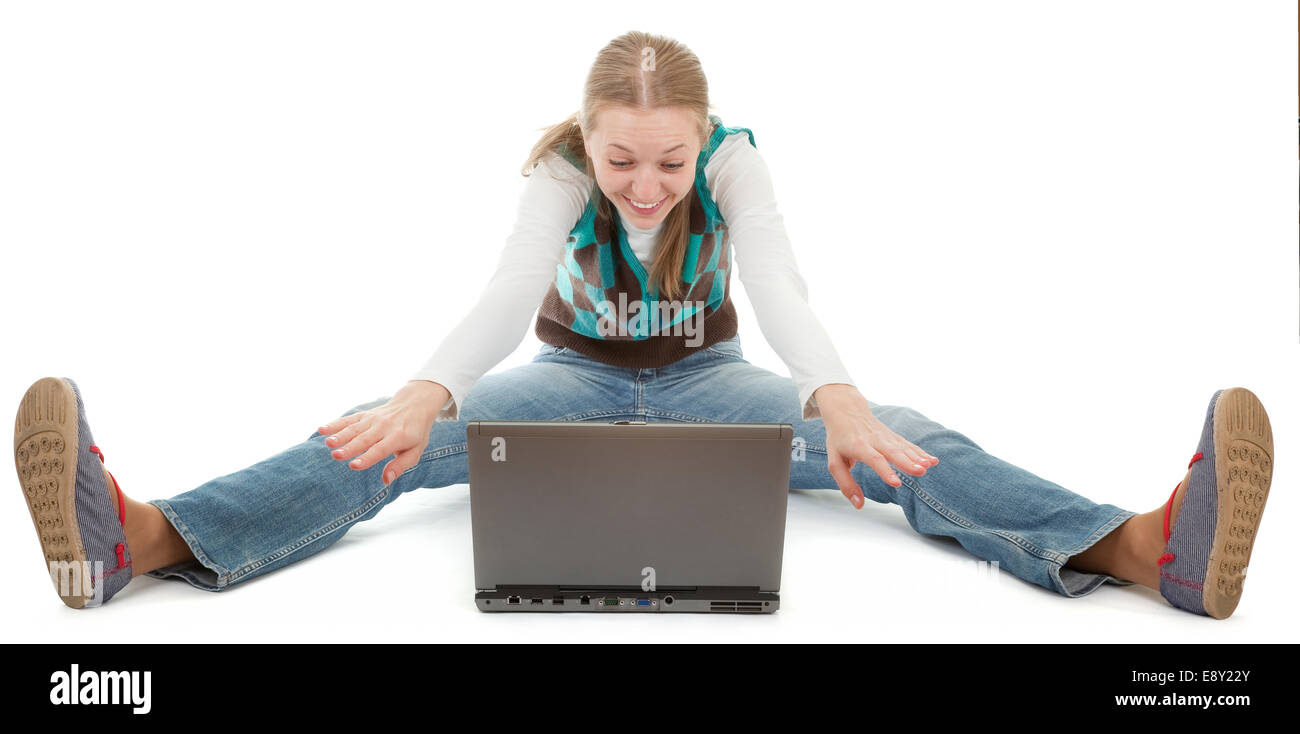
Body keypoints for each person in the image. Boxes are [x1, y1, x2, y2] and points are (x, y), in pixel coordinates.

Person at [13, 31, 1273, 619]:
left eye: (666, 159)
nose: (646, 184)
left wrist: (834, 395)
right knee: (371, 438)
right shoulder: (562, 168)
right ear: (590, 138)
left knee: (898, 438)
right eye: (624, 159)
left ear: (700, 138)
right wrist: (426, 393)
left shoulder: (737, 165)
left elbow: (781, 287)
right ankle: (139, 536)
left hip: (717, 385)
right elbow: (509, 293)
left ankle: (1139, 548)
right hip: (564, 385)